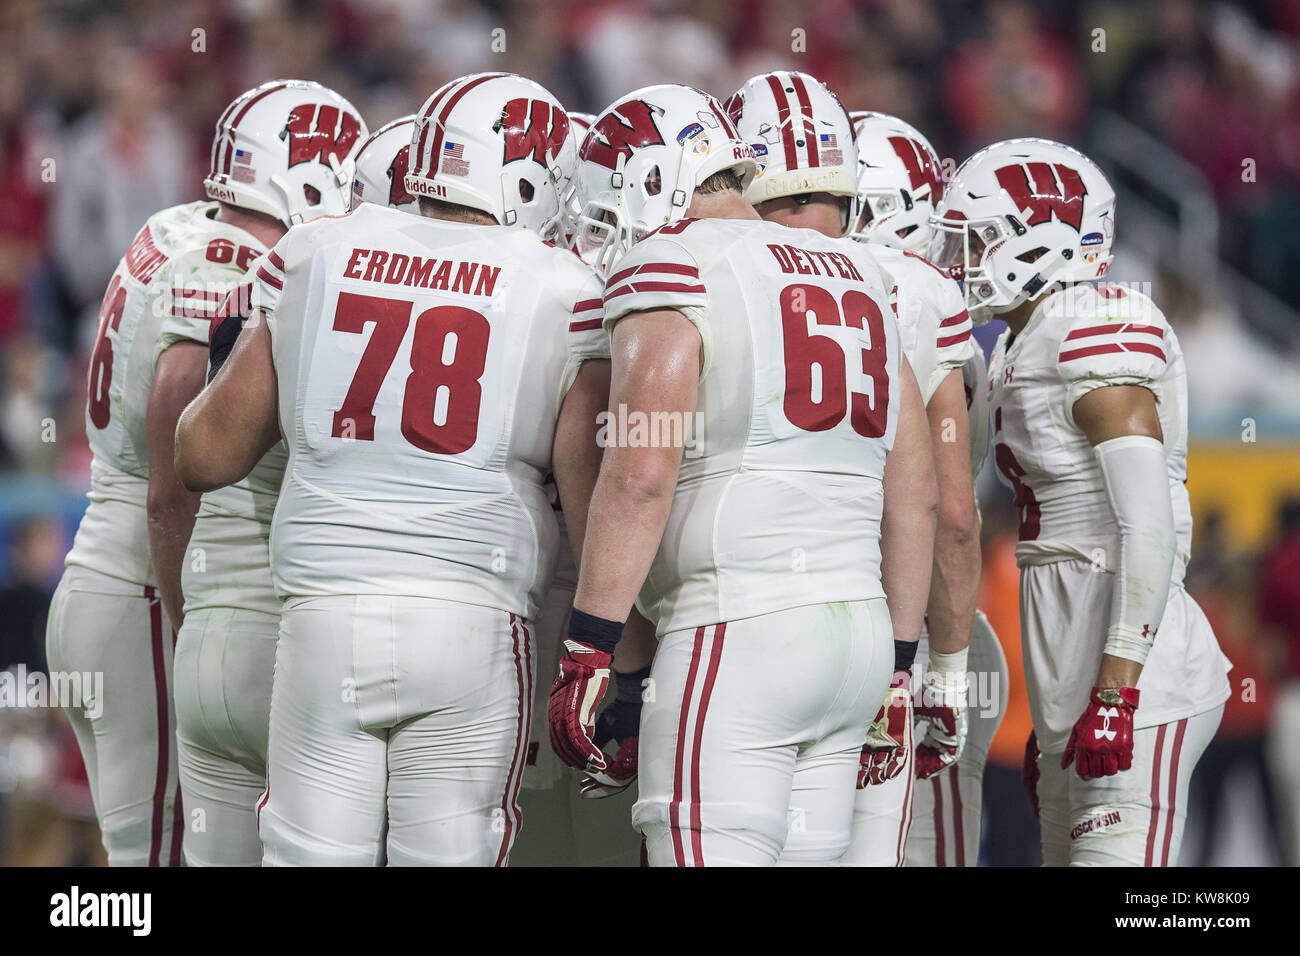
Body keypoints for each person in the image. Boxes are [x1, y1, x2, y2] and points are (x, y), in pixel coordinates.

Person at [175, 72, 598, 866]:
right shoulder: (562, 288)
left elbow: (205, 455)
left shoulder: (317, 250)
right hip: (474, 618)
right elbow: (588, 502)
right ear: (527, 178)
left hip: (323, 614)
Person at [549, 83, 938, 866]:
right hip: (857, 637)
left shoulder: (678, 261)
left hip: (740, 629)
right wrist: (899, 664)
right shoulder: (862, 272)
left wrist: (591, 646)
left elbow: (639, 471)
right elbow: (917, 494)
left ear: (654, 176)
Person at [44, 79, 363, 867]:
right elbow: (173, 483)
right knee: (158, 863)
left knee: (144, 854)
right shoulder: (234, 262)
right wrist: (194, 626)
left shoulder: (176, 224)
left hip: (100, 574)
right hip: (145, 589)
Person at [929, 137, 1231, 865]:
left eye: (979, 241)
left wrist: (1117, 694)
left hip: (1140, 677)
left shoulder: (1093, 323)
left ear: (1041, 245)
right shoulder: (1019, 343)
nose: (961, 260)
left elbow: (1148, 520)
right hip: (1077, 672)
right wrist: (1060, 716)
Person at [722, 70, 985, 867]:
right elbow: (951, 515)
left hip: (739, 615)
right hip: (877, 635)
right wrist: (939, 671)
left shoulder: (715, 262)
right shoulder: (916, 289)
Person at [164, 80, 369, 867]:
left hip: (210, 627)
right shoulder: (306, 278)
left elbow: (184, 458)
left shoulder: (175, 237)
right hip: (283, 640)